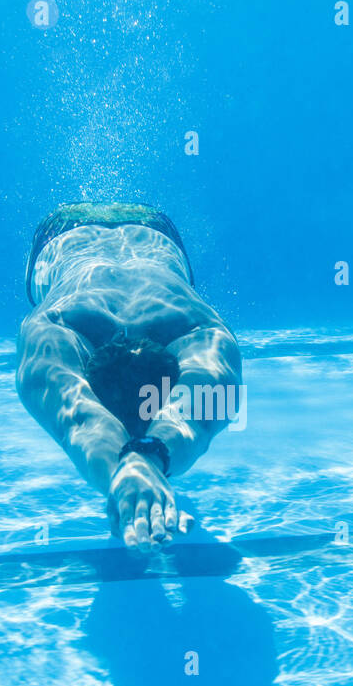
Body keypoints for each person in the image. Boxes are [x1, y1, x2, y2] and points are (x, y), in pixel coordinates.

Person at [16, 202, 242, 552]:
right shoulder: (53, 323)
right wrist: (139, 461)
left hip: (150, 231)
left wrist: (140, 459)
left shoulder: (54, 325)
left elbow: (82, 419)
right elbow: (81, 418)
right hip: (70, 235)